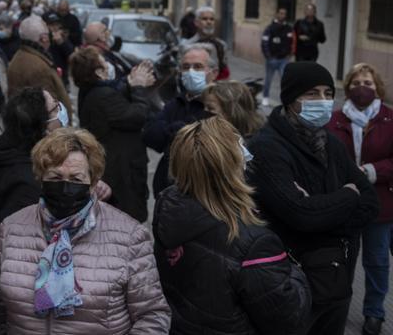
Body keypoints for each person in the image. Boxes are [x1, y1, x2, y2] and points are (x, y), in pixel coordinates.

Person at [0, 128, 171, 333]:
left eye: (76, 179)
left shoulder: (130, 236)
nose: (65, 186)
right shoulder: (10, 230)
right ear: (41, 177)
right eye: (56, 177)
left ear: (93, 182)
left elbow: (152, 314)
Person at [247, 61, 379, 335]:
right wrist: (345, 196)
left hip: (336, 275)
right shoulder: (267, 147)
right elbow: (299, 214)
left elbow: (369, 201)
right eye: (312, 94)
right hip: (292, 279)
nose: (323, 101)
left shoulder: (330, 142)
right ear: (290, 98)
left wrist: (323, 217)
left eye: (328, 94)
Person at [153, 117, 311, 334]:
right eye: (240, 149)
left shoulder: (168, 206)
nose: (247, 155)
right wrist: (295, 272)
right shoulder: (255, 242)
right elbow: (289, 318)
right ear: (230, 166)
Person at [327, 63, 393, 335]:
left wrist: (373, 171)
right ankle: (338, 309)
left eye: (367, 82)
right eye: (355, 83)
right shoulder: (335, 120)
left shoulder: (390, 120)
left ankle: (374, 313)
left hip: (381, 205)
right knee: (343, 261)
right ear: (347, 88)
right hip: (346, 203)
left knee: (377, 261)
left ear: (377, 86)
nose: (361, 88)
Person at [69, 47, 154, 222]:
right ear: (99, 72)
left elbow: (115, 96)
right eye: (104, 63)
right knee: (126, 219)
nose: (109, 66)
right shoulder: (102, 95)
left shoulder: (96, 91)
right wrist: (138, 88)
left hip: (118, 167)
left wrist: (129, 83)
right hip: (121, 173)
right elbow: (137, 116)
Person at [0, 88, 64, 235]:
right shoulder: (22, 182)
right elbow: (22, 240)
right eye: (55, 108)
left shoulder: (32, 158)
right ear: (42, 125)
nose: (61, 109)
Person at [143, 44, 216, 196]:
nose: (190, 72)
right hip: (167, 190)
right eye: (185, 67)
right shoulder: (175, 103)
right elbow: (151, 136)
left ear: (213, 73)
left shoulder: (218, 106)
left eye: (198, 67)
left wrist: (170, 130)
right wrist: (180, 130)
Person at [6, 15, 72, 118]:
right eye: (48, 33)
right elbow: (50, 109)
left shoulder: (23, 56)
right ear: (44, 38)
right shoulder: (37, 67)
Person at [182, 6, 229, 80]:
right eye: (204, 19)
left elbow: (224, 71)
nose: (209, 22)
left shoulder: (221, 45)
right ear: (196, 22)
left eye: (212, 19)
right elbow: (182, 72)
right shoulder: (187, 45)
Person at [261, 7, 294, 106]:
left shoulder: (289, 28)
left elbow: (292, 42)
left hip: (284, 59)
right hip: (272, 59)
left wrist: (289, 54)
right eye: (281, 13)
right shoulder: (270, 27)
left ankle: (284, 100)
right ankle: (265, 97)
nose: (282, 15)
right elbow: (264, 42)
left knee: (285, 81)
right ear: (277, 14)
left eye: (284, 14)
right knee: (268, 80)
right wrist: (268, 56)